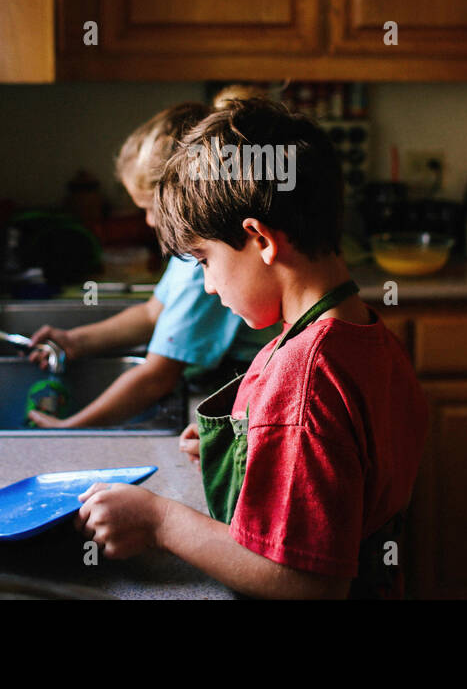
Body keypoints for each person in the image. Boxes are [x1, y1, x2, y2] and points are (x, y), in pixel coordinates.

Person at [74, 98, 429, 598]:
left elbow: (308, 583)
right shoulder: (368, 334)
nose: (208, 287)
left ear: (260, 239)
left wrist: (159, 521)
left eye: (204, 260)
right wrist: (253, 446)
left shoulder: (304, 376)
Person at [26, 101, 274, 428]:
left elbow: (155, 378)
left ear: (184, 192)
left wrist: (71, 428)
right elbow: (151, 313)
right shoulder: (191, 254)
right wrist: (75, 341)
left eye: (150, 207)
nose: (148, 220)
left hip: (240, 394)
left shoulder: (204, 266)